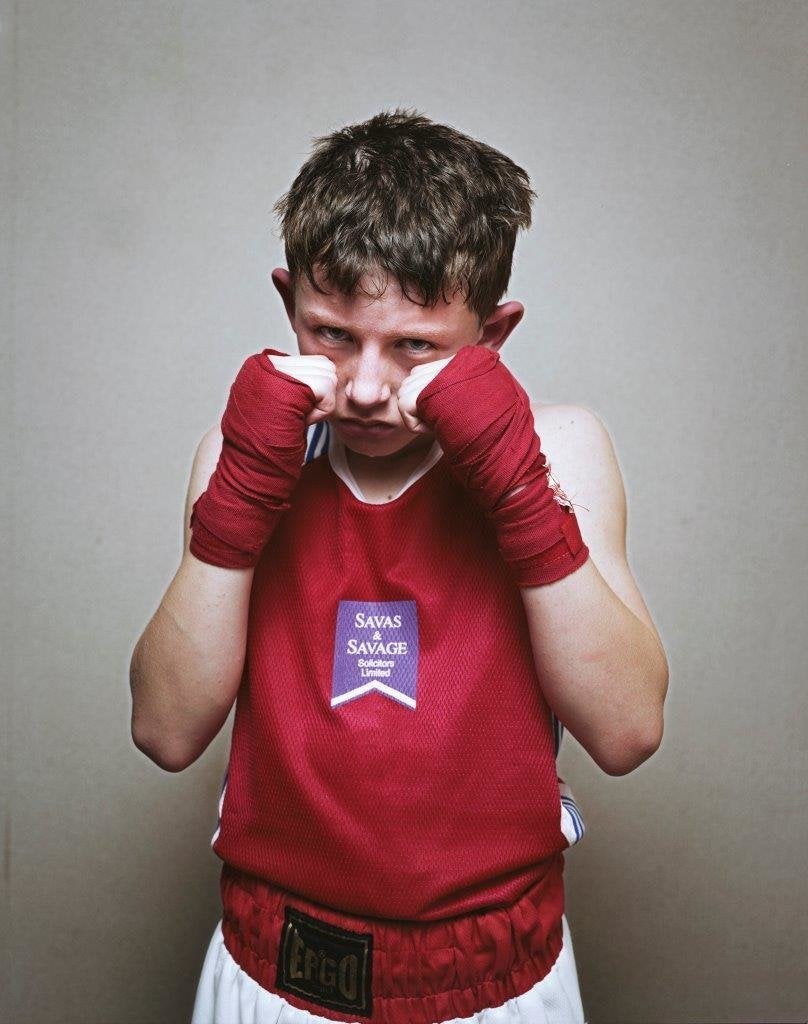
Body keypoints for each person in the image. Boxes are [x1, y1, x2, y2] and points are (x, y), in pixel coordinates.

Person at [129, 109, 669, 1024]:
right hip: (271, 969)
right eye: (331, 334)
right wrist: (240, 499)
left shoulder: (559, 448)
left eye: (416, 344)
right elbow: (165, 729)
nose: (369, 386)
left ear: (494, 335)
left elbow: (625, 733)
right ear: (286, 303)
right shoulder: (244, 452)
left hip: (497, 978)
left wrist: (517, 487)